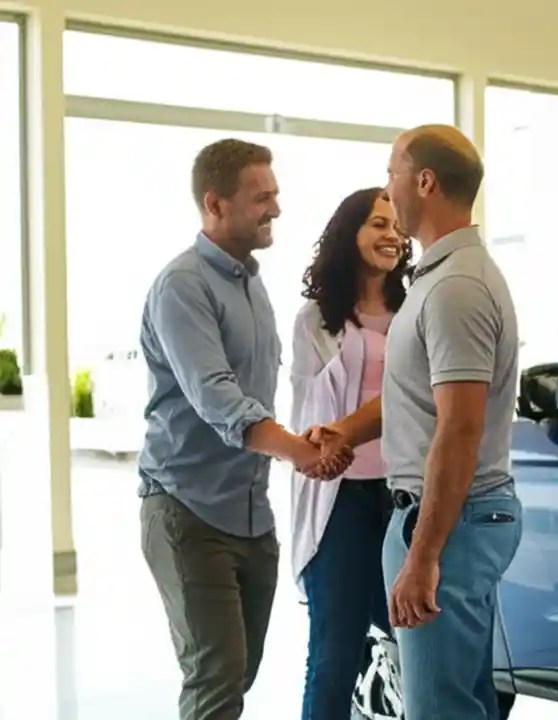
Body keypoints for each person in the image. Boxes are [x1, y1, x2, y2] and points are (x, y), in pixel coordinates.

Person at [303, 124, 523, 719]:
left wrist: (422, 556)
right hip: (453, 518)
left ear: (425, 182)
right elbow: (421, 396)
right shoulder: (440, 279)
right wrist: (346, 431)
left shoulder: (456, 288)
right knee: (461, 703)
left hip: (450, 522)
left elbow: (459, 428)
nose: (388, 187)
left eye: (392, 173)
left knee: (438, 711)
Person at [138, 138, 348, 720]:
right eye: (261, 198)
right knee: (216, 680)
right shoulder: (183, 286)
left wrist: (306, 441)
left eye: (275, 194)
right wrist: (298, 452)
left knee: (240, 671)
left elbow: (266, 392)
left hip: (251, 514)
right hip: (188, 510)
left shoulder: (251, 284)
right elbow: (219, 398)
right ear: (215, 204)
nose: (275, 208)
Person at [290, 187, 411, 718]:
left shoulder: (416, 310)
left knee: (415, 640)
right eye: (378, 224)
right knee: (334, 653)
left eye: (397, 227)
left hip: (405, 496)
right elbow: (310, 410)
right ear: (350, 233)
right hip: (339, 501)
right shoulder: (316, 319)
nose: (391, 236)